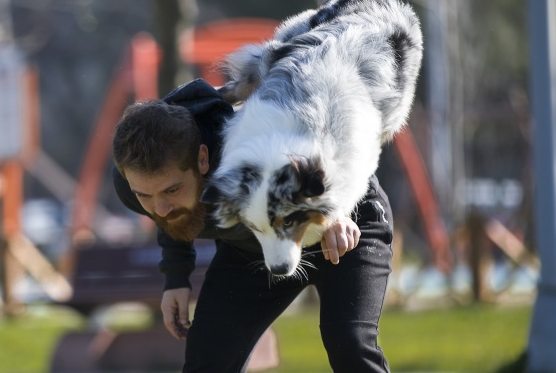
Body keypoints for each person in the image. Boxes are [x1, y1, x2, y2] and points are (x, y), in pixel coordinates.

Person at [112, 78, 394, 372]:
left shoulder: (246, 142)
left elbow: (333, 131)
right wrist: (176, 276)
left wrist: (337, 209)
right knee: (208, 359)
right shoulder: (132, 183)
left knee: (348, 343)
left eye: (171, 190)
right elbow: (170, 216)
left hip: (340, 229)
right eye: (145, 195)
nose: (159, 207)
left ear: (203, 159)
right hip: (254, 245)